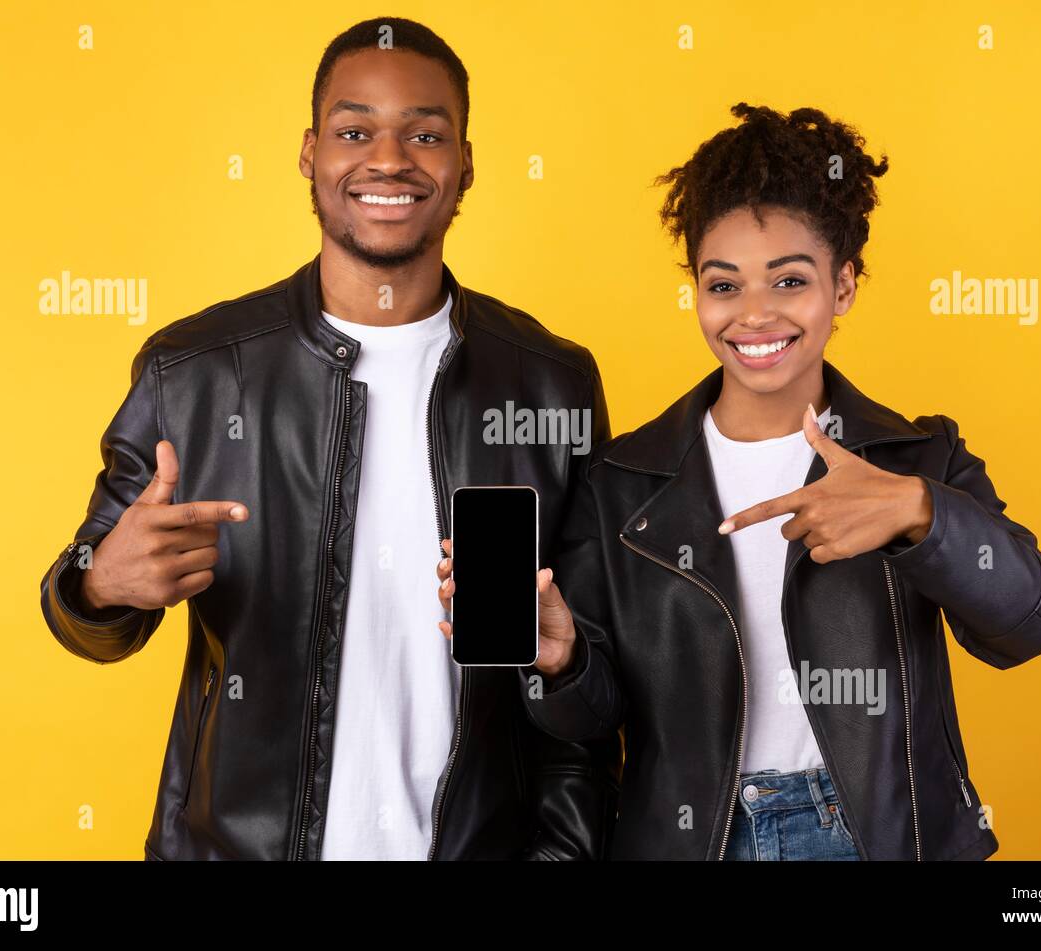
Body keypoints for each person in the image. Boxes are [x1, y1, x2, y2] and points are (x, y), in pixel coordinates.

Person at [39, 16, 618, 861]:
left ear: (465, 165)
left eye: (426, 133)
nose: (389, 159)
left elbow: (593, 701)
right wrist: (102, 583)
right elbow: (78, 609)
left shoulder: (547, 382)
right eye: (356, 131)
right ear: (311, 153)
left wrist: (563, 670)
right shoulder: (194, 371)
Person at [493, 103, 1041, 860]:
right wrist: (564, 660)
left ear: (844, 287)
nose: (755, 314)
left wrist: (919, 514)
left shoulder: (918, 456)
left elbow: (1033, 621)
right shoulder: (623, 483)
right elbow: (591, 721)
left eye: (790, 280)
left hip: (875, 838)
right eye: (724, 285)